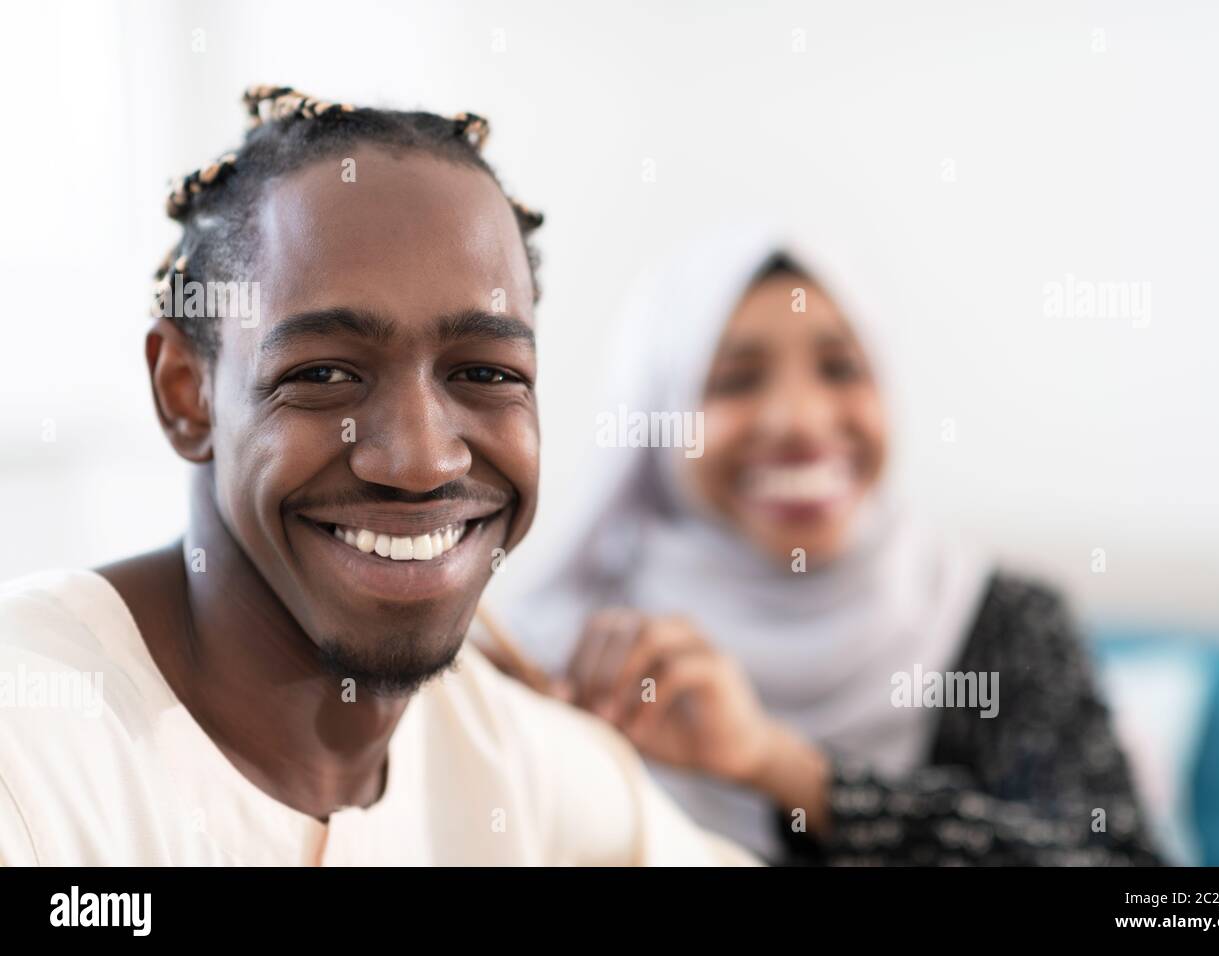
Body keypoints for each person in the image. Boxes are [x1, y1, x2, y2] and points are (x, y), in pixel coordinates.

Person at [0, 86, 754, 866]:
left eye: (485, 373)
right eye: (325, 372)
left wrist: (778, 766)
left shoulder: (515, 760)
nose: (423, 462)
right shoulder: (30, 752)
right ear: (186, 393)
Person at [498, 227, 1163, 866]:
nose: (801, 421)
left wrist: (780, 766)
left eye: (841, 368)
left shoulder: (999, 621)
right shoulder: (568, 659)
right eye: (737, 379)